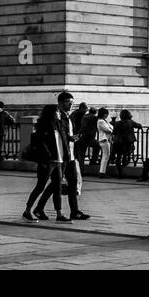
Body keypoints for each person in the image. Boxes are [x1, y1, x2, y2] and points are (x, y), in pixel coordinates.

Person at [39, 92, 89, 220]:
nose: (71, 104)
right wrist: (69, 138)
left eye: (72, 102)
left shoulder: (68, 116)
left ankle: (74, 211)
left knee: (72, 182)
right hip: (62, 156)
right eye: (68, 102)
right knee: (54, 184)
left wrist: (72, 138)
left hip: (70, 154)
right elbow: (59, 134)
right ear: (60, 103)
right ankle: (39, 208)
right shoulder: (58, 116)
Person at [23, 105, 61, 222]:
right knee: (40, 186)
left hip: (58, 159)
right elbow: (40, 143)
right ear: (52, 113)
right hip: (48, 161)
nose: (59, 113)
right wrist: (45, 158)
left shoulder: (58, 124)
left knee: (57, 186)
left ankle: (59, 213)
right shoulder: (43, 125)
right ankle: (28, 210)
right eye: (57, 111)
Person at [111, 110, 142, 177]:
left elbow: (114, 132)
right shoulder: (130, 122)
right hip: (127, 142)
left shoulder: (117, 123)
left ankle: (120, 173)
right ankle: (124, 168)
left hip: (118, 142)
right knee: (126, 155)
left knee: (118, 157)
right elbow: (139, 126)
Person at [95, 108, 115, 176]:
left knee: (105, 155)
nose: (107, 115)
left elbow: (111, 127)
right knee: (106, 156)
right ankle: (102, 172)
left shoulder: (104, 121)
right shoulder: (101, 121)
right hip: (104, 139)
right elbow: (108, 130)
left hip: (105, 139)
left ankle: (102, 171)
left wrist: (111, 129)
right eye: (106, 114)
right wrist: (111, 130)